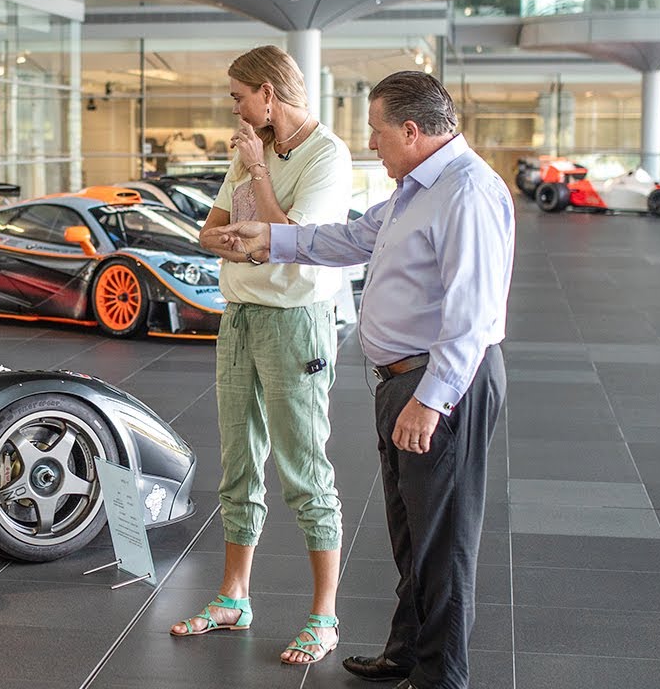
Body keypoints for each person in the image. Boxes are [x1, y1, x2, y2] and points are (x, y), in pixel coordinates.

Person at [204, 70, 514, 689]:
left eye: (377, 132)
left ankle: (440, 677)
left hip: (438, 384)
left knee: (444, 543)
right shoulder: (414, 187)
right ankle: (406, 651)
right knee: (410, 535)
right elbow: (351, 237)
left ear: (411, 130)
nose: (372, 144)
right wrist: (272, 238)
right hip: (404, 380)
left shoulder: (467, 191)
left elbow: (473, 315)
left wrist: (430, 402)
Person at [168, 45, 353, 667]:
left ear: (269, 92)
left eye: (239, 95)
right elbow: (211, 231)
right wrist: (245, 242)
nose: (235, 107)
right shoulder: (253, 147)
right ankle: (233, 596)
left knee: (304, 467)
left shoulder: (326, 155)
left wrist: (259, 180)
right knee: (238, 460)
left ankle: (324, 615)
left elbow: (293, 242)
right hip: (240, 317)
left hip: (294, 323)